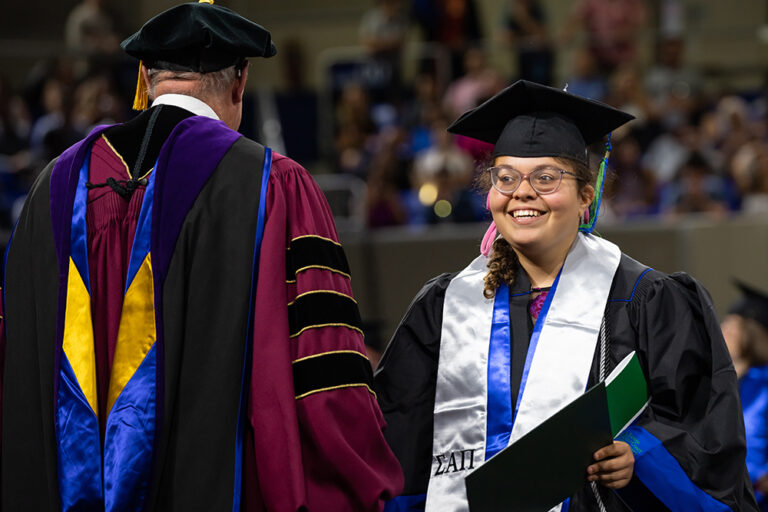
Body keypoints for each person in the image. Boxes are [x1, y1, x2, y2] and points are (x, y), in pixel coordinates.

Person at [0, 1, 403, 510]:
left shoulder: (51, 189)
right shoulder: (272, 184)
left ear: (145, 76)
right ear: (240, 83)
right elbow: (324, 377)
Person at [375, 80, 757, 511]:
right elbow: (399, 439)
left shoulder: (645, 299)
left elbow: (705, 432)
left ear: (585, 198)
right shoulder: (445, 306)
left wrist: (639, 456)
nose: (522, 191)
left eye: (546, 177)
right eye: (506, 178)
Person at [723, 281, 768, 511]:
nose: (723, 332)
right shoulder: (721, 381)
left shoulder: (764, 384)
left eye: (733, 327)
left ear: (752, 334)